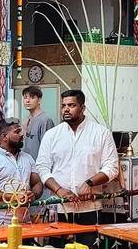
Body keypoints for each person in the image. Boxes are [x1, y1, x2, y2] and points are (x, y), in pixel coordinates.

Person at [35, 89, 118, 222]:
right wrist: (59, 190)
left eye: (71, 105)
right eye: (63, 106)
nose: (66, 109)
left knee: (88, 243)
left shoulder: (101, 133)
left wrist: (90, 183)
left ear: (82, 108)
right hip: (60, 206)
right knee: (58, 243)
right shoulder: (52, 135)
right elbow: (42, 167)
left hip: (91, 207)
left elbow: (112, 167)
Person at [0, 117, 41, 228]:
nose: (22, 135)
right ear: (4, 137)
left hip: (25, 221)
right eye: (17, 132)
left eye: (21, 131)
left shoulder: (27, 158)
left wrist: (33, 195)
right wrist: (11, 197)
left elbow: (37, 183)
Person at [21, 85, 55, 160]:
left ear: (39, 100)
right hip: (26, 165)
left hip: (39, 166)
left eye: (32, 98)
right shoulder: (26, 120)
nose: (27, 101)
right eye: (25, 98)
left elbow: (48, 148)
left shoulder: (45, 120)